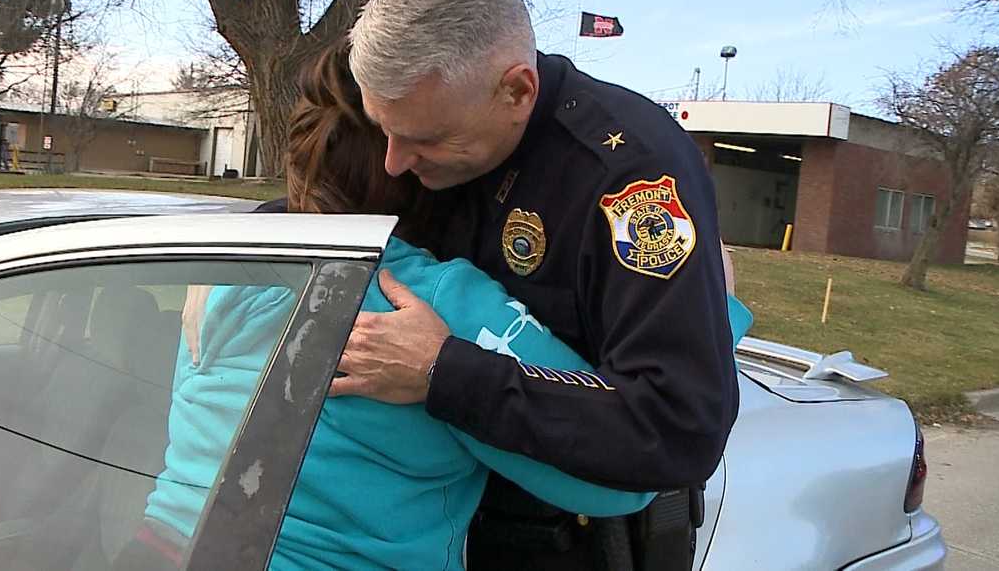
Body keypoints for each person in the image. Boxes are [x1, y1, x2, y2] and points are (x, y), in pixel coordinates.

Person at [117, 43, 754, 571]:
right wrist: (712, 308)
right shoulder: (442, 303)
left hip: (158, 549)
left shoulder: (230, 272)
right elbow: (622, 484)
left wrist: (264, 227)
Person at [334, 0, 741, 566]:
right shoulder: (433, 118)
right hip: (454, 526)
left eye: (426, 140)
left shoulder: (631, 178)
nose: (394, 162)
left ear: (517, 90)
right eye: (384, 131)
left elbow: (677, 425)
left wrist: (444, 372)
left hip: (577, 538)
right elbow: (335, 190)